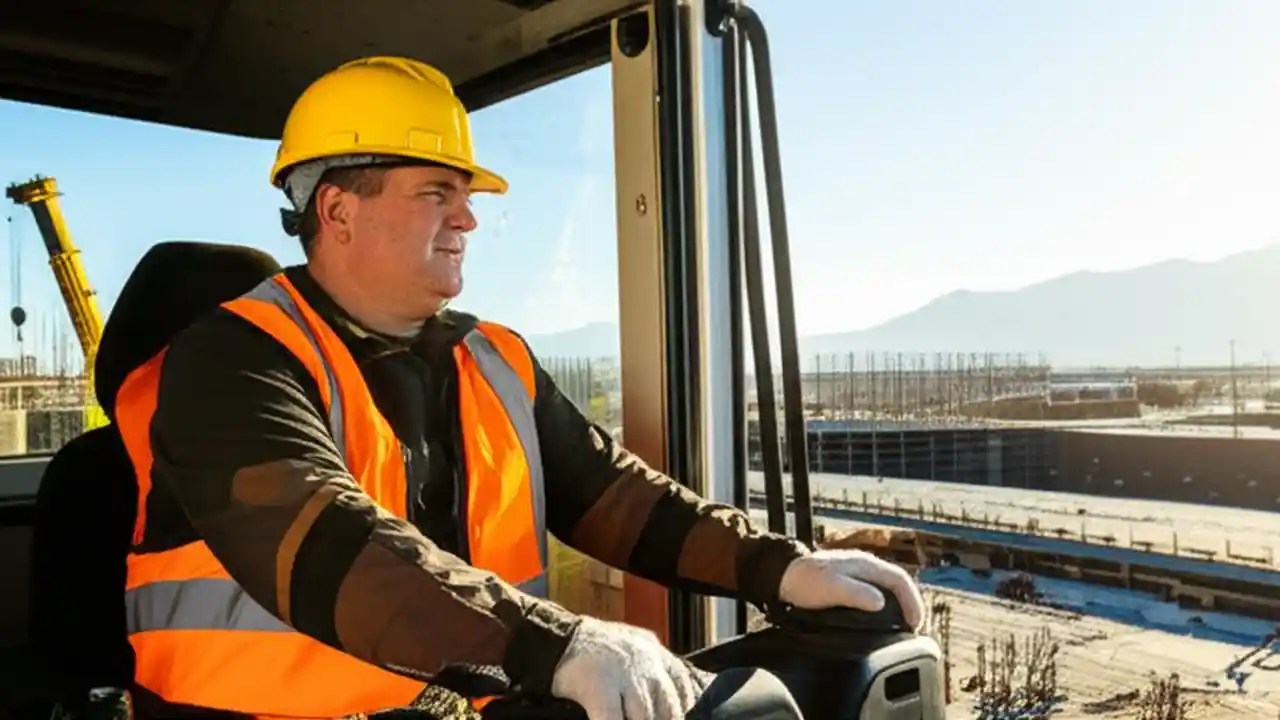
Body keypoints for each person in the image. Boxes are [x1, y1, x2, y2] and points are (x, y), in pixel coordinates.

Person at [114, 56, 924, 720]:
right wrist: (554, 645)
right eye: (437, 191)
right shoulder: (230, 359)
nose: (467, 217)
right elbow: (320, 538)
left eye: (467, 197)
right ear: (338, 209)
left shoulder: (492, 358)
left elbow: (612, 495)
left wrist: (779, 569)